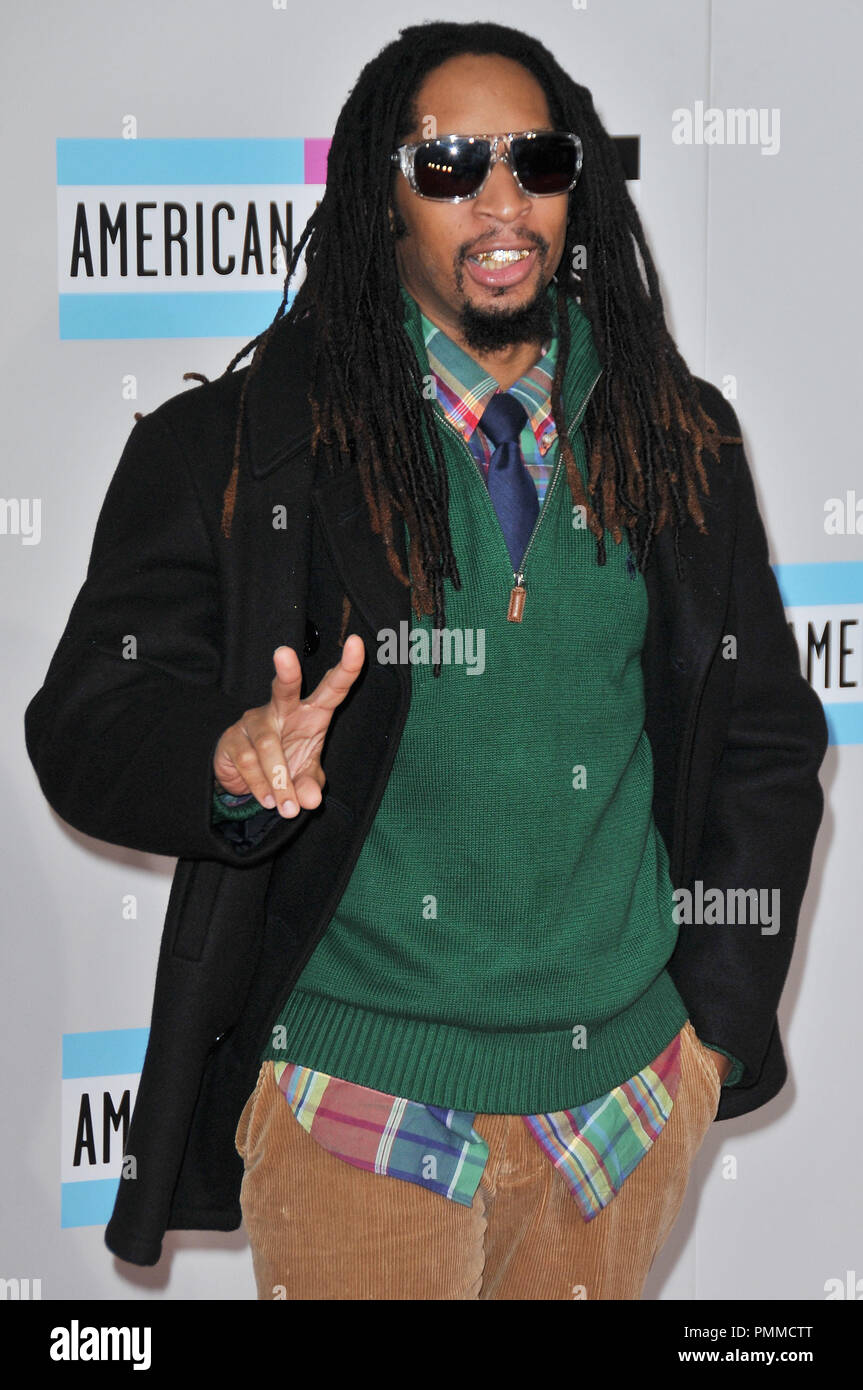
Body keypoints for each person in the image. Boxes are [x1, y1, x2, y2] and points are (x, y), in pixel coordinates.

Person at [24, 20, 827, 1299]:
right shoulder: (239, 449)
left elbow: (766, 743)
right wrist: (226, 760)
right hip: (363, 1116)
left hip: (616, 1119)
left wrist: (707, 1040)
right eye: (448, 163)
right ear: (379, 196)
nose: (500, 200)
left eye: (536, 159)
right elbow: (89, 719)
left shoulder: (676, 440)